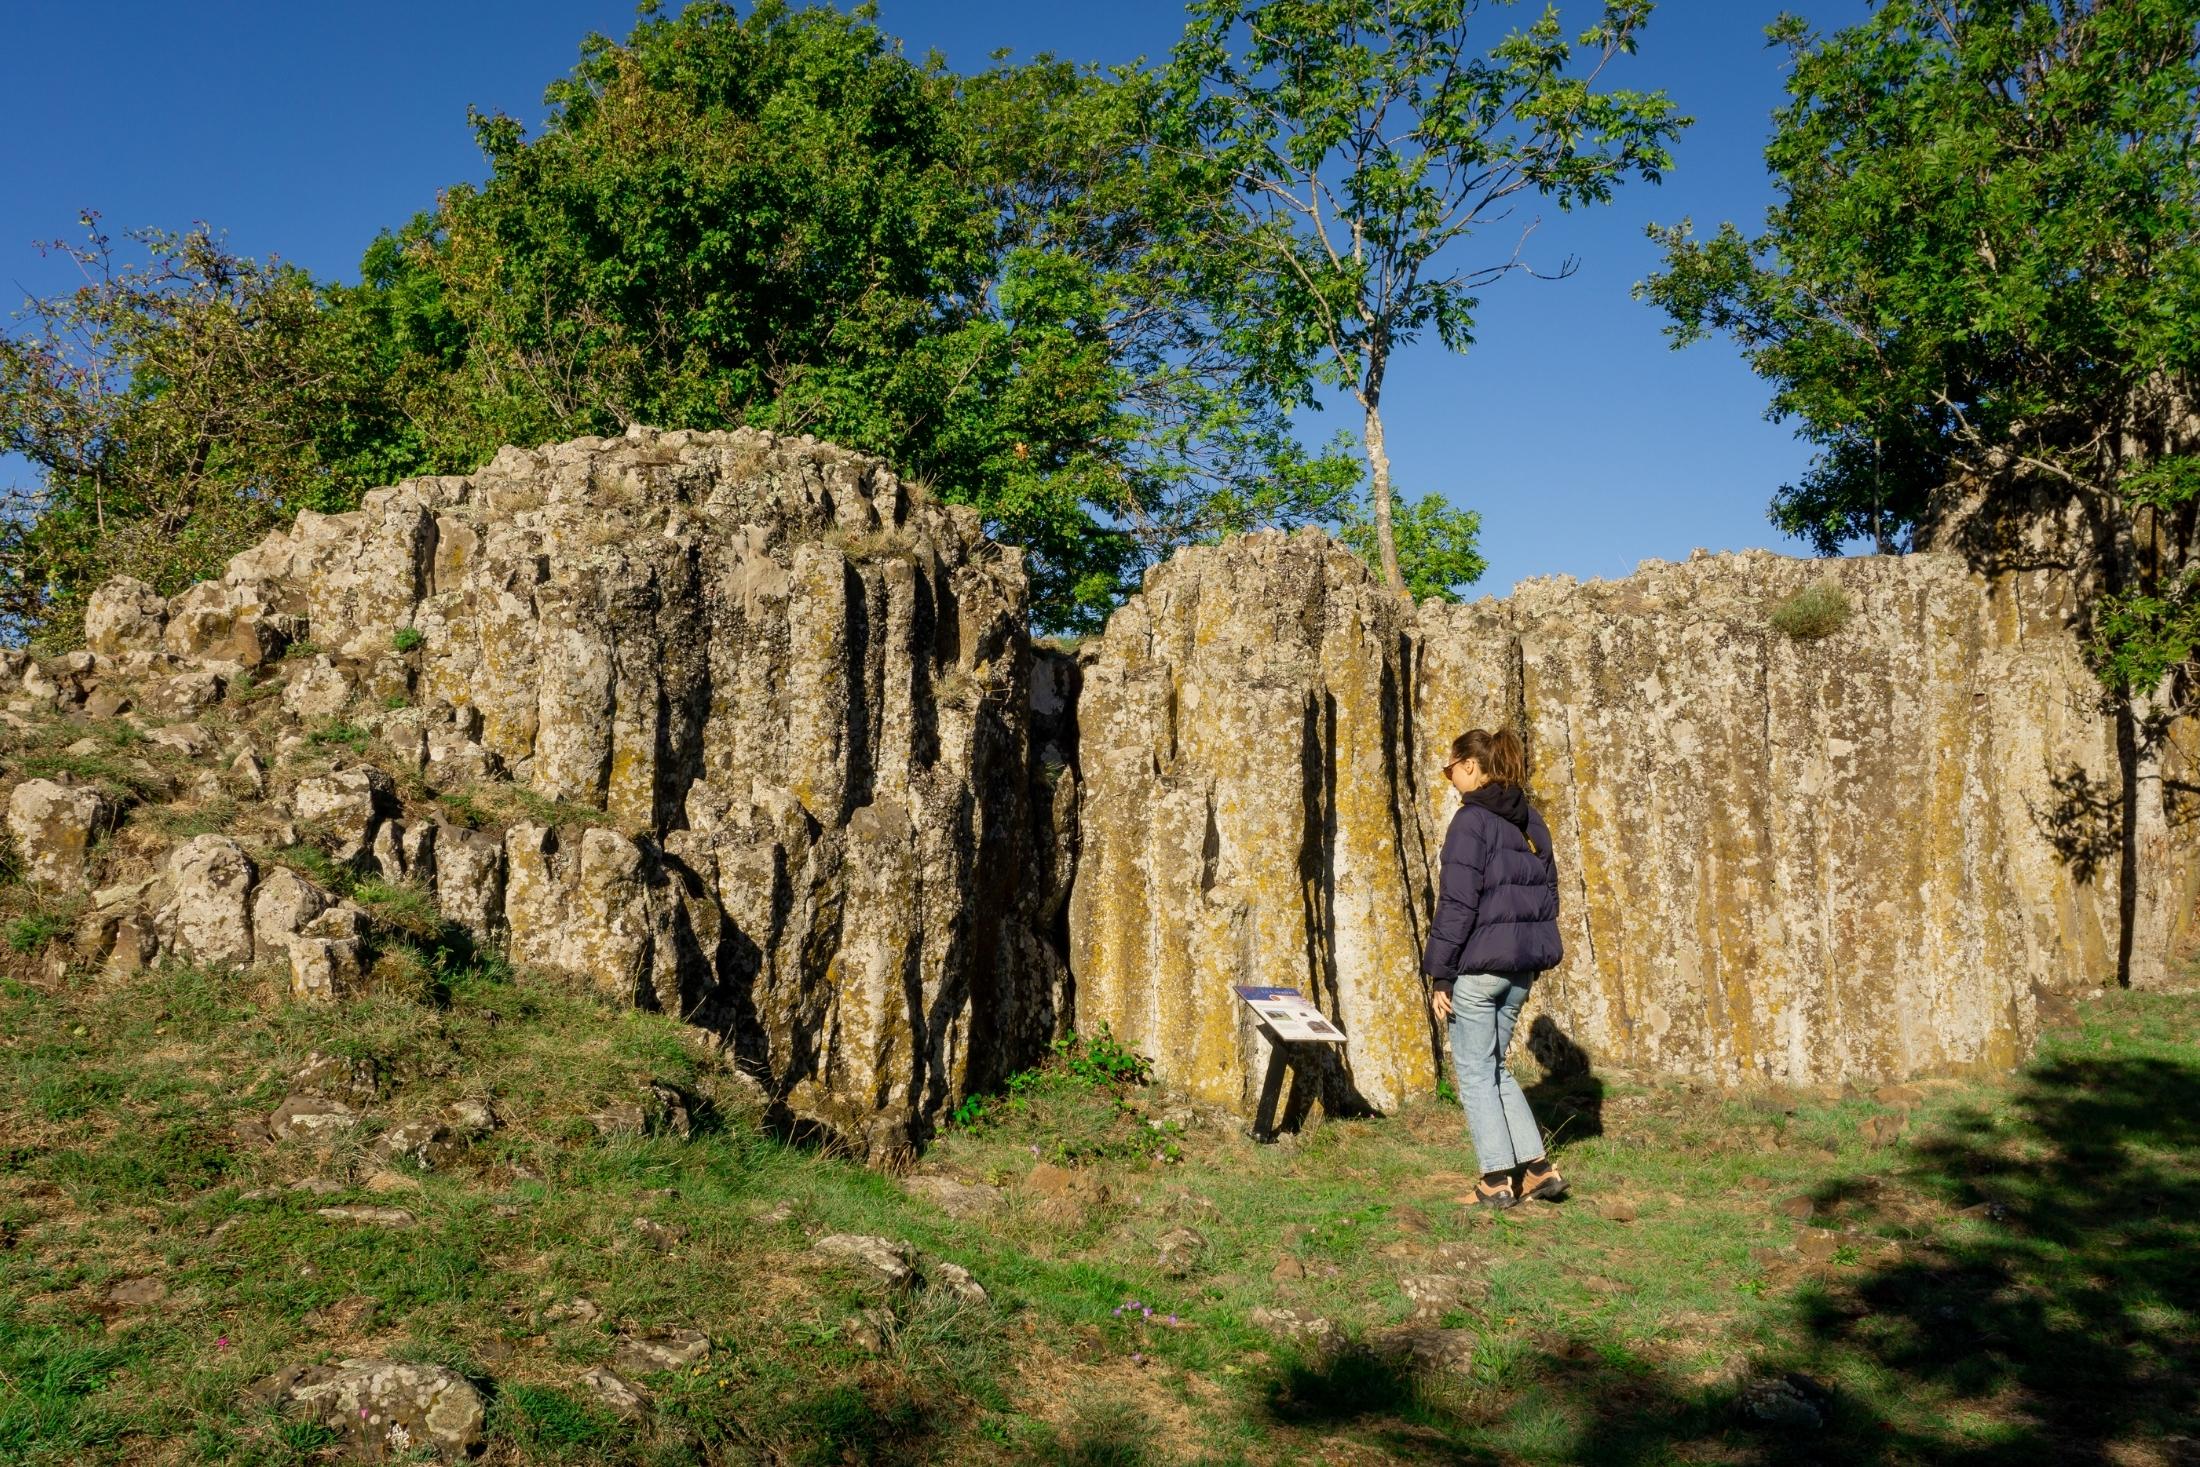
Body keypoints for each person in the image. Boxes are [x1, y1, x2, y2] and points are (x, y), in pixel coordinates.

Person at [1421, 727, 1567, 1211]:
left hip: (1479, 970)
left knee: (1475, 1073)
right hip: (1520, 970)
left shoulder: (1471, 823)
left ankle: (1495, 1180)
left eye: (1450, 769)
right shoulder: (1531, 822)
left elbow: (1458, 904)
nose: (1449, 779)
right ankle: (1540, 1169)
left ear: (1470, 766)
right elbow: (1549, 899)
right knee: (1496, 1067)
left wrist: (1440, 973)